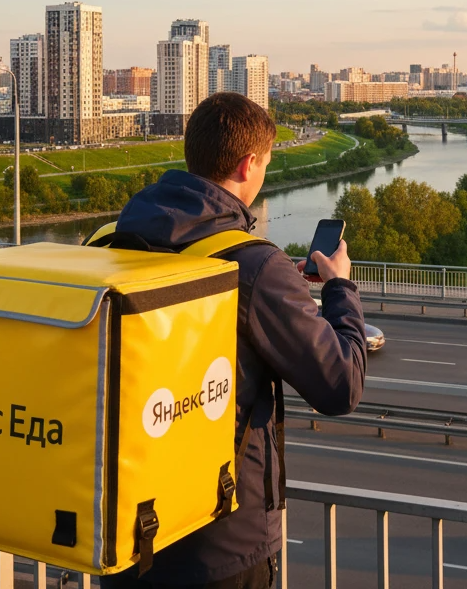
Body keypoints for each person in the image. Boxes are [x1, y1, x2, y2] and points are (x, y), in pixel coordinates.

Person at [100, 92, 367, 589]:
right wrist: (339, 288)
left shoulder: (115, 239)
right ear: (248, 165)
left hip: (126, 537)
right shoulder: (256, 266)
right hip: (222, 548)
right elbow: (341, 383)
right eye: (265, 163)